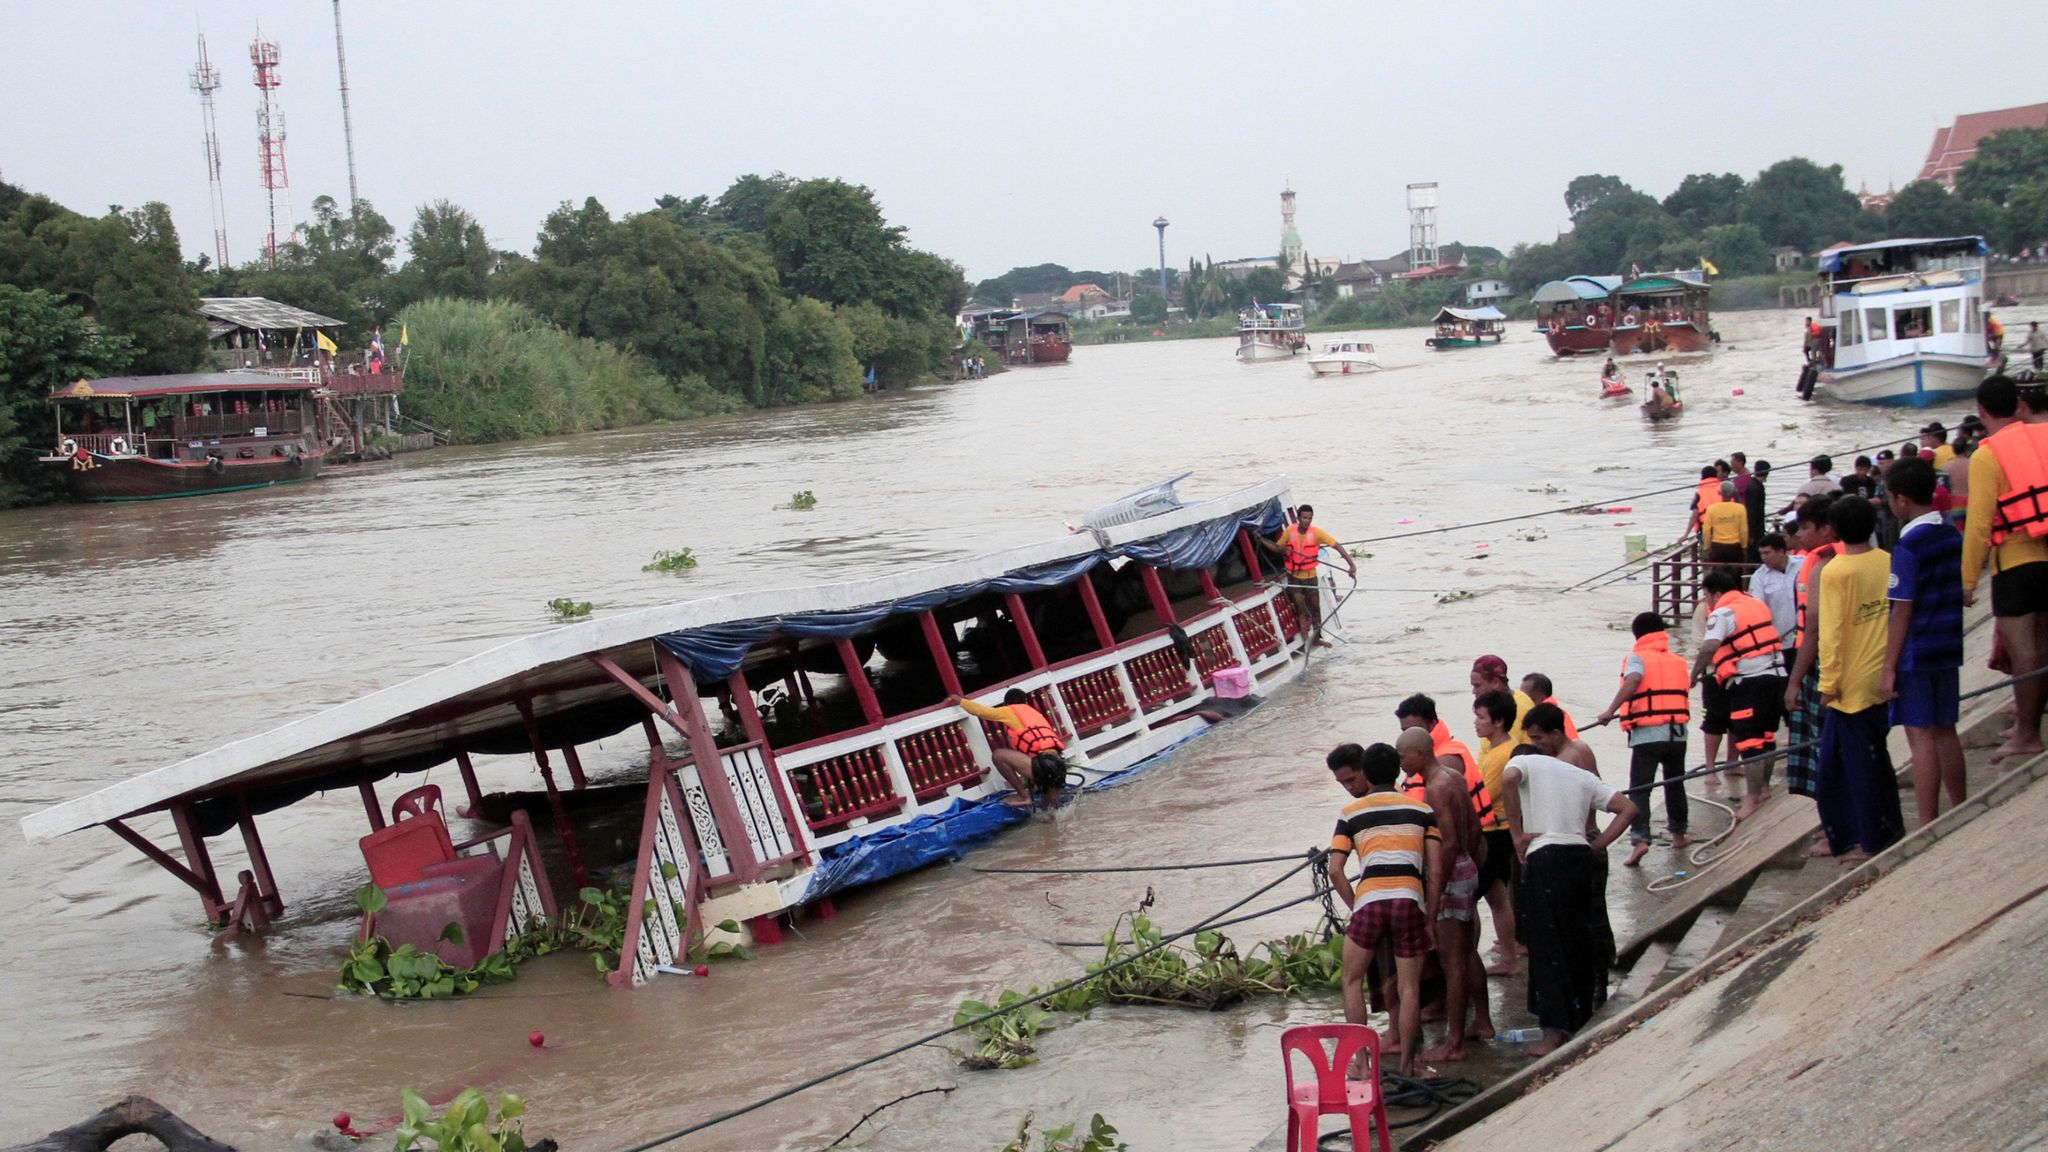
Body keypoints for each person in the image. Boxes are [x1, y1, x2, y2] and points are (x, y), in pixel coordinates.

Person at [1499, 743, 1637, 1055]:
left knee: (1548, 946)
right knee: (1577, 940)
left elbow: (1507, 780)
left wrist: (1516, 834)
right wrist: (1597, 844)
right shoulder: (1580, 775)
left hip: (1546, 857)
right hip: (1578, 857)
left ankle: (1554, 1033)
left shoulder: (1524, 761)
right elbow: (1629, 809)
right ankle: (1580, 1017)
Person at [1328, 741, 1441, 1078]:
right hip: (1409, 901)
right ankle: (1410, 1065)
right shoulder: (1422, 812)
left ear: (1366, 773)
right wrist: (1430, 918)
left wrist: (1357, 906)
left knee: (1351, 981)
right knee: (1410, 989)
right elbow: (1434, 871)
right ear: (1397, 771)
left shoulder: (1350, 814)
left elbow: (1335, 870)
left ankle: (1362, 1065)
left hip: (1370, 902)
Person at [1961, 375, 2048, 763]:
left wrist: (1966, 580)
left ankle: (2028, 734)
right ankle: (2026, 726)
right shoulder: (2044, 435)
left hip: (2014, 564)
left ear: (1981, 412)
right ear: (2017, 405)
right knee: (2042, 647)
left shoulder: (1987, 455)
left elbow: (1979, 525)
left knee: (2024, 653)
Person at [1814, 496, 1904, 860]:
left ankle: (1871, 841)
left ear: (1833, 531)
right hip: (1882, 670)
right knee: (1854, 762)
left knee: (1857, 767)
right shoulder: (1887, 560)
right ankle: (1868, 833)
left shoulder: (1836, 571)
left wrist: (1827, 683)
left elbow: (1831, 632)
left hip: (1850, 684)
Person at [1881, 456, 1967, 827]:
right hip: (1948, 643)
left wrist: (1887, 668)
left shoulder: (1907, 547)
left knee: (1921, 736)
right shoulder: (1950, 534)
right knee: (1946, 728)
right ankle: (1961, 804)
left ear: (1901, 500)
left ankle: (1928, 819)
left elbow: (1901, 610)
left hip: (1916, 650)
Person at [1401, 728, 1495, 1061]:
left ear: (1419, 754)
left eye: (1403, 757)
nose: (1401, 764)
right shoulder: (1453, 775)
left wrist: (1437, 886)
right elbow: (1474, 827)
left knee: (1452, 960)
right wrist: (1468, 864)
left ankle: (1454, 1042)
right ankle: (1482, 1022)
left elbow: (1451, 840)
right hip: (1467, 868)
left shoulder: (1435, 788)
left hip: (1452, 874)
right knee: (1467, 952)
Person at [1596, 612, 1693, 868]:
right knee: (1675, 783)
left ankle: (1640, 840)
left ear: (1637, 635)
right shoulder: (1677, 660)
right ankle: (1679, 834)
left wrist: (1610, 710)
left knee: (1640, 789)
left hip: (1648, 734)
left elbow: (1634, 680)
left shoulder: (1637, 657)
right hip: (1677, 734)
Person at [1692, 567, 1786, 820]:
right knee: (1766, 735)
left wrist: (1693, 676)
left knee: (1749, 740)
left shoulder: (1723, 612)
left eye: (1707, 596)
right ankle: (1764, 790)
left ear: (1716, 594)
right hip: (1776, 676)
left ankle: (1752, 798)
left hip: (1750, 681)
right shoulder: (1754, 604)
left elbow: (1709, 647)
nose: (1707, 602)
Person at [1470, 689, 1522, 975]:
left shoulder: (1499, 757)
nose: (1476, 723)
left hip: (1493, 834)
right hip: (1502, 833)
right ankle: (1509, 958)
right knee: (1498, 897)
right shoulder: (1503, 748)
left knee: (1470, 898)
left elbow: (1482, 798)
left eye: (1481, 717)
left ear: (1498, 721)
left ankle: (1471, 960)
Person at [949, 689, 1068, 808]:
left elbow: (981, 711)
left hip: (1043, 767)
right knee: (1050, 811)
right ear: (1025, 701)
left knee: (998, 755)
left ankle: (1023, 796)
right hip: (1059, 767)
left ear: (1007, 703)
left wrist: (960, 701)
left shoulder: (1009, 710)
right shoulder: (1035, 714)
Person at [1259, 504, 1356, 648]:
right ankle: (1306, 639)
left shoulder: (1317, 533)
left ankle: (1317, 638)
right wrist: (1261, 539)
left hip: (1310, 577)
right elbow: (1278, 548)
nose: (1307, 521)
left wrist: (1351, 565)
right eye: (1304, 518)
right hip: (1295, 577)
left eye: (1310, 518)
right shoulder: (1290, 531)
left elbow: (1337, 546)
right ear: (1298, 518)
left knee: (1316, 608)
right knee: (1301, 606)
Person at [1749, 532, 1803, 653]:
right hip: (1782, 641)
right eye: (1761, 553)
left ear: (1781, 551)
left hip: (1807, 636)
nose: (1763, 558)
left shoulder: (1803, 564)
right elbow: (1758, 610)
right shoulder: (1759, 578)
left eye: (1767, 553)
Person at [1469, 655, 1534, 747]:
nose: (1474, 691)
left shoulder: (1513, 708)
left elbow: (1505, 749)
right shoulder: (1503, 702)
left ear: (1495, 682)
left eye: (1477, 685)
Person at [1701, 479, 1749, 569]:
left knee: (1717, 575)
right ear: (1733, 493)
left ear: (1720, 493)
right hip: (1735, 547)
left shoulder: (1711, 509)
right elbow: (1743, 530)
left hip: (1717, 547)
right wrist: (1744, 547)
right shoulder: (1740, 508)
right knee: (1735, 574)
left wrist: (1707, 548)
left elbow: (1706, 531)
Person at [1519, 673, 1580, 740]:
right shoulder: (1561, 713)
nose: (1520, 699)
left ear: (1541, 698)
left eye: (1524, 697)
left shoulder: (1539, 718)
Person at [1743, 460, 1772, 562]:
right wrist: (1751, 534)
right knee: (1754, 556)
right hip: (1755, 530)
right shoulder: (1755, 488)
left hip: (1756, 528)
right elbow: (1751, 512)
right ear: (1767, 473)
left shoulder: (1753, 485)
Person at [1685, 466, 1723, 536]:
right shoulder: (1724, 489)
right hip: (1725, 526)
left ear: (1702, 476)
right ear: (1716, 475)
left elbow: (1694, 515)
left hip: (1706, 529)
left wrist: (1686, 534)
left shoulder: (1699, 493)